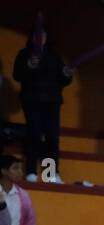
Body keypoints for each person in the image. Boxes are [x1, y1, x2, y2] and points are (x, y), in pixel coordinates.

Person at [13, 23, 73, 182]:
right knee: (34, 136)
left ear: (46, 38)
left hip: (52, 102)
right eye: (37, 36)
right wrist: (29, 66)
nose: (41, 39)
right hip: (32, 101)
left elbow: (63, 80)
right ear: (32, 38)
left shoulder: (54, 56)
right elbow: (17, 75)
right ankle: (31, 172)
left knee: (52, 138)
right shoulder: (24, 54)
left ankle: (50, 174)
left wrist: (67, 74)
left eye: (43, 36)